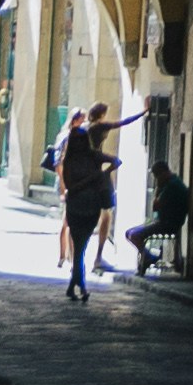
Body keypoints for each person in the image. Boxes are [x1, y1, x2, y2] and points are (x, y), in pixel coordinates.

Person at [56, 109, 115, 302]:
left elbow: (70, 185)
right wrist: (99, 176)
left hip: (80, 206)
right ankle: (78, 285)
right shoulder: (90, 157)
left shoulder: (71, 161)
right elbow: (115, 161)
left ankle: (76, 285)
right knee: (81, 247)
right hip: (88, 206)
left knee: (80, 247)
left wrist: (103, 175)